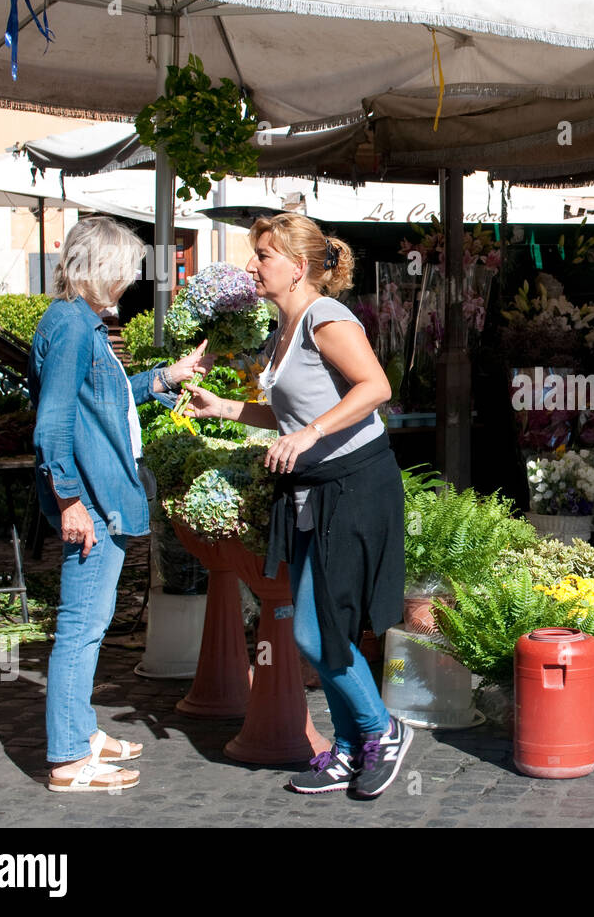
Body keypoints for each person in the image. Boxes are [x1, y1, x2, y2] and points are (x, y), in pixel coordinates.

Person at [183, 213, 410, 800]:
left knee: (316, 632)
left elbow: (375, 388)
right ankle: (349, 747)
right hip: (312, 493)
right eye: (256, 253)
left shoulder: (326, 318)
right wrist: (227, 408)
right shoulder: (279, 329)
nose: (253, 265)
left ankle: (381, 732)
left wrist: (308, 436)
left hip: (355, 487)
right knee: (317, 628)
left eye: (264, 255)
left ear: (298, 267)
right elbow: (286, 413)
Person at [32, 217, 209, 792]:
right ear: (103, 267)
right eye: (129, 268)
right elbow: (53, 422)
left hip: (103, 494)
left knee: (92, 624)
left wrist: (163, 377)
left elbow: (102, 403)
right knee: (81, 628)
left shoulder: (80, 324)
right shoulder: (73, 328)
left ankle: (81, 732)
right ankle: (67, 757)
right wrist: (69, 501)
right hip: (93, 498)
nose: (132, 280)